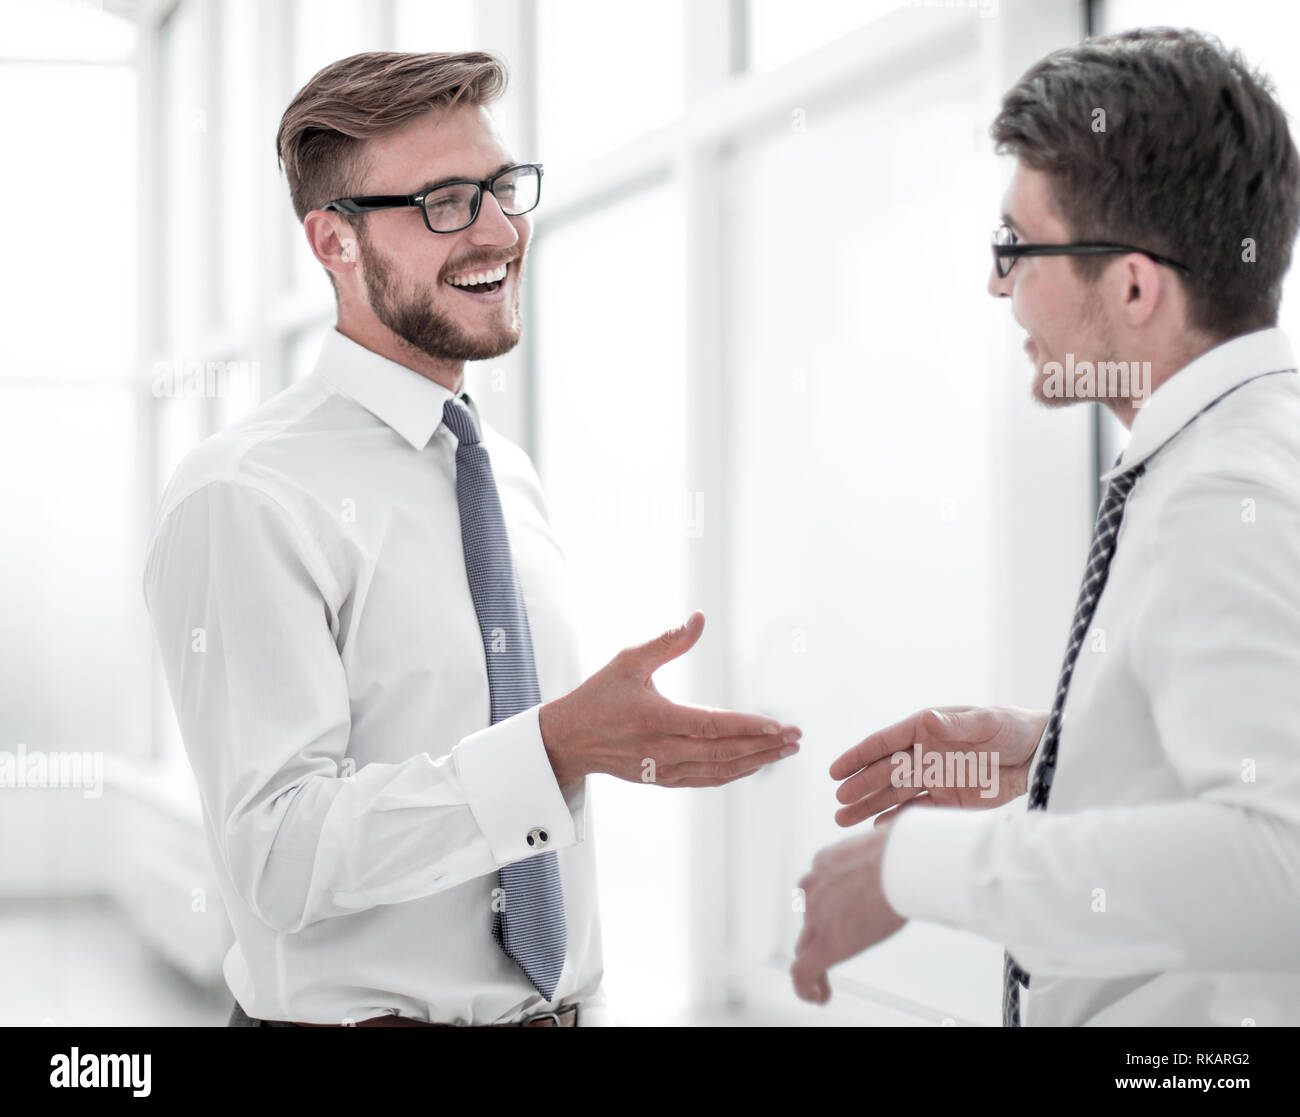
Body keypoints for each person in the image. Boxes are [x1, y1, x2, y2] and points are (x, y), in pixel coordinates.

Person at [142, 50, 801, 1028]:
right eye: (445, 200)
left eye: (501, 188)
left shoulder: (507, 476)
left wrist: (585, 754)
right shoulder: (246, 494)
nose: (498, 229)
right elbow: (275, 855)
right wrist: (553, 747)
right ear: (334, 240)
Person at [791, 28, 1300, 1026]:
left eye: (1015, 248)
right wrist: (1067, 752)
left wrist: (910, 866)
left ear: (1135, 288)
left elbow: (1278, 862)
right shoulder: (1240, 449)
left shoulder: (1218, 490)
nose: (996, 284)